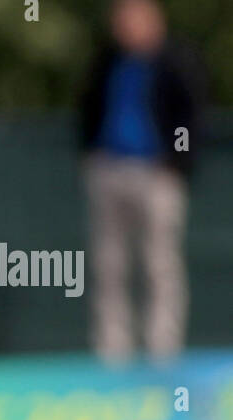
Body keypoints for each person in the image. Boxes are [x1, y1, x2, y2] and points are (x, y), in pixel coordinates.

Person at [79, 0, 205, 364]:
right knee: (109, 265)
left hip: (157, 175)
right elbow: (87, 107)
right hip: (109, 172)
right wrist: (91, 155)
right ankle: (112, 353)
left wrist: (176, 163)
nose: (127, 28)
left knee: (160, 264)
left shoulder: (176, 63)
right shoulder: (107, 62)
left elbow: (190, 115)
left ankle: (162, 352)